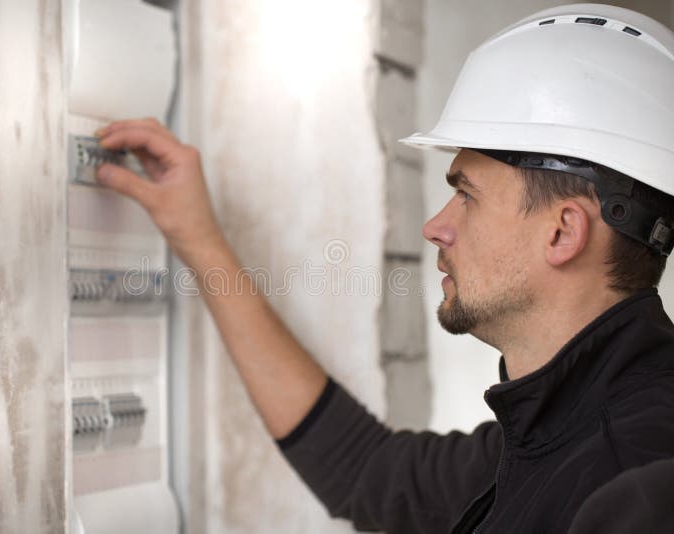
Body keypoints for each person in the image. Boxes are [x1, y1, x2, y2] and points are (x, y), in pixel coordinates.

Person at [94, 4, 674, 533]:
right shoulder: (552, 434)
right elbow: (365, 470)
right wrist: (198, 239)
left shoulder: (634, 490)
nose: (436, 227)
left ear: (563, 231)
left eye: (467, 195)